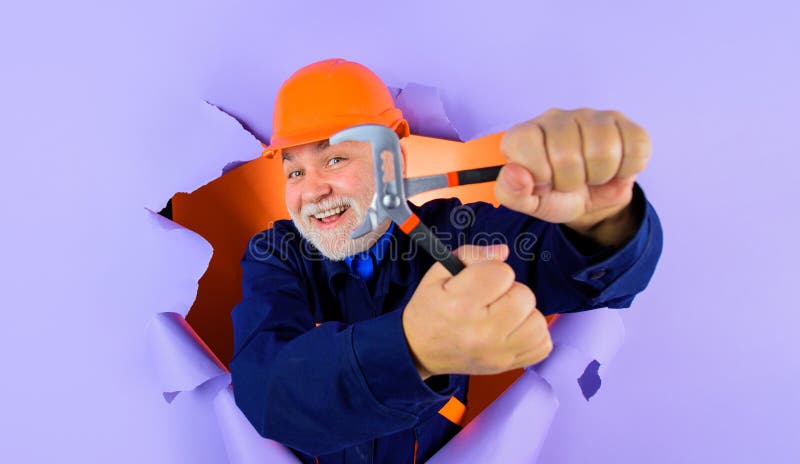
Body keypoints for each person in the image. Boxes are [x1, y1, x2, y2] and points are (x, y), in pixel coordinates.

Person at [230, 58, 663, 464]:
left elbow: (566, 264)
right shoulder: (276, 256)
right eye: (295, 171)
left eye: (335, 158)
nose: (312, 191)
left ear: (393, 161)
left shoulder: (453, 232)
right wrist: (411, 348)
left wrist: (602, 221)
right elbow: (267, 391)